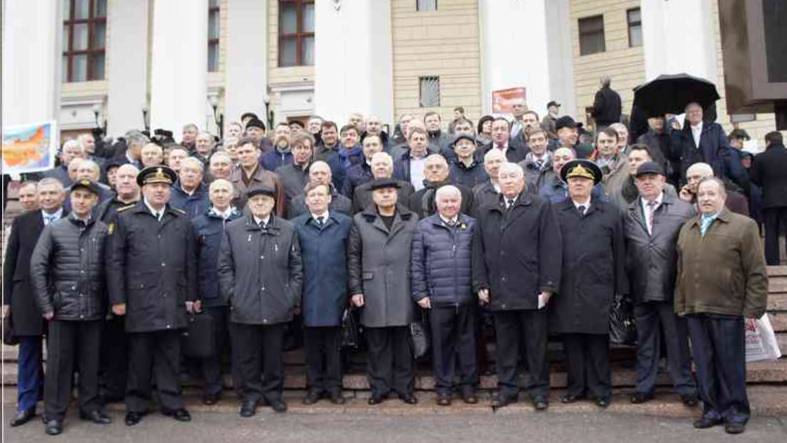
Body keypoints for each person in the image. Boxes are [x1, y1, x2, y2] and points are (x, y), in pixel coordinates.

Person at [676, 177, 768, 435]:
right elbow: (681, 271)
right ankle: (712, 409)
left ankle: (736, 411)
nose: (705, 198)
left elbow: (757, 272)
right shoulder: (688, 228)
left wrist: (753, 309)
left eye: (711, 193)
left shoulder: (743, 226)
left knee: (730, 364)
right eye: (701, 194)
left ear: (723, 197)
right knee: (704, 364)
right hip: (695, 308)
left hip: (728, 308)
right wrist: (681, 304)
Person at [106, 166, 198, 426]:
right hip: (139, 301)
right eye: (154, 186)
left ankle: (172, 402)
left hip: (172, 298)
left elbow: (190, 261)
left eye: (164, 186)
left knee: (170, 354)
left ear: (170, 191)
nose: (159, 190)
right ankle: (136, 404)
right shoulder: (124, 218)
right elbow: (115, 262)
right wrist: (118, 299)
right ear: (143, 189)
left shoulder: (181, 219)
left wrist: (191, 295)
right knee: (139, 356)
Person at [472, 162, 561, 410]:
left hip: (532, 289)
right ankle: (507, 389)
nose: (508, 180)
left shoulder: (540, 206)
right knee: (505, 345)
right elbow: (478, 251)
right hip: (499, 289)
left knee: (536, 345)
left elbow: (551, 247)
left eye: (513, 176)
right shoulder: (485, 209)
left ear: (523, 180)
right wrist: (480, 282)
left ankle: (539, 390)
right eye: (504, 177)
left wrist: (548, 285)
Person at [30, 180, 111, 435]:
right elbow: (38, 267)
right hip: (61, 310)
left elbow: (110, 269)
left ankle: (89, 407)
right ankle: (54, 415)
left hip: (93, 309)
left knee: (91, 363)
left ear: (95, 201)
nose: (82, 201)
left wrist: (108, 304)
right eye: (77, 196)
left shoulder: (103, 230)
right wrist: (46, 305)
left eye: (87, 196)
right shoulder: (55, 229)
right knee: (58, 366)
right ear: (70, 199)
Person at [218, 186, 303, 417]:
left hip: (277, 304)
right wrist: (232, 295)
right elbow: (224, 267)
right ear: (249, 204)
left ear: (273, 203)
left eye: (265, 200)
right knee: (248, 355)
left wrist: (290, 296)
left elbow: (297, 267)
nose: (260, 203)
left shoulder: (287, 229)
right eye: (255, 200)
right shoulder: (233, 229)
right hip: (244, 305)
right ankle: (251, 395)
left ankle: (274, 394)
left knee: (274, 354)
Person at [551, 160, 626, 408]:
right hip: (567, 288)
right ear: (567, 184)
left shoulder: (610, 212)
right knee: (572, 342)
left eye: (583, 180)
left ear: (592, 183)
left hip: (599, 287)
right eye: (574, 180)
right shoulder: (555, 211)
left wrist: (620, 289)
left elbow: (619, 252)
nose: (578, 184)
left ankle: (600, 389)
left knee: (597, 343)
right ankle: (576, 387)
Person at [623, 161, 698, 406]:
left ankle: (685, 387)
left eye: (652, 177)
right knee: (646, 342)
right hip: (641, 288)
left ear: (663, 180)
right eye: (642, 178)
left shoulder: (683, 210)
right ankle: (644, 387)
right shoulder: (629, 212)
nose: (647, 182)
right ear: (635, 183)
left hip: (672, 288)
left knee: (677, 341)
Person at [348, 178, 419, 405]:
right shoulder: (359, 221)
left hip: (403, 287)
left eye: (389, 192)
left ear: (396, 195)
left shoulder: (412, 219)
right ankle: (379, 388)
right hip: (373, 289)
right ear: (373, 197)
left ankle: (405, 388)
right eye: (381, 193)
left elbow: (419, 255)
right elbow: (353, 257)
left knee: (403, 343)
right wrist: (356, 288)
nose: (386, 196)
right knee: (377, 344)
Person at [3, 178, 67, 427]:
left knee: (58, 355)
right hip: (26, 297)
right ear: (37, 196)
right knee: (28, 353)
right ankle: (25, 404)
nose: (48, 197)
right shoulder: (23, 221)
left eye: (53, 193)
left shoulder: (72, 218)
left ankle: (53, 405)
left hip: (61, 298)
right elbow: (9, 262)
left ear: (63, 196)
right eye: (44, 193)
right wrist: (6, 299)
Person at [411, 185, 478, 406]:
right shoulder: (424, 226)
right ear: (437, 204)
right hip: (438, 298)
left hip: (467, 297)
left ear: (460, 202)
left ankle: (468, 387)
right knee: (442, 347)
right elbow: (417, 263)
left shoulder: (471, 225)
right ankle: (444, 388)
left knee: (468, 345)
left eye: (453, 201)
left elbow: (480, 259)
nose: (449, 205)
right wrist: (420, 292)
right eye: (445, 201)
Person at [293, 183, 353, 405]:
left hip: (337, 292)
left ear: (330, 199)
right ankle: (315, 386)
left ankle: (334, 386)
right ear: (305, 200)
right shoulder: (296, 225)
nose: (316, 199)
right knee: (312, 345)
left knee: (334, 345)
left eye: (321, 195)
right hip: (308, 294)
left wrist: (351, 290)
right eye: (312, 195)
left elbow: (352, 258)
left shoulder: (345, 223)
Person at [94, 164, 140, 403]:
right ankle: (113, 388)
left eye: (130, 177)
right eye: (121, 177)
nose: (125, 181)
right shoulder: (103, 208)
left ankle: (138, 389)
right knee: (113, 342)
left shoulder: (146, 207)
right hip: (109, 285)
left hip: (140, 286)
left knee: (139, 345)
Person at [669, 102, 747, 190]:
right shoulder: (682, 133)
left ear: (702, 112)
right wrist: (677, 132)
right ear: (686, 115)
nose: (695, 113)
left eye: (697, 111)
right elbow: (675, 152)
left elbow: (725, 150)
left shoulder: (715, 128)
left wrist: (716, 166)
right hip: (692, 179)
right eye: (691, 112)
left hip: (713, 175)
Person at [749, 131, 787, 265]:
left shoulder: (760, 158)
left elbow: (753, 178)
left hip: (770, 199)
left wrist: (764, 184)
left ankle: (773, 262)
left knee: (771, 232)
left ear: (768, 142)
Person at [229, 137, 286, 215]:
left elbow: (280, 211)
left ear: (258, 153)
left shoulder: (273, 179)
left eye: (248, 151)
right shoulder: (230, 180)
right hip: (237, 225)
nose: (244, 155)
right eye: (240, 153)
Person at [408, 154, 474, 218]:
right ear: (424, 173)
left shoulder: (464, 193)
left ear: (447, 171)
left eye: (438, 167)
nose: (434, 170)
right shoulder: (415, 198)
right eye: (430, 167)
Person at [678, 162, 749, 216]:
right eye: (689, 179)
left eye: (696, 177)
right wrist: (685, 203)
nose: (692, 182)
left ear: (710, 177)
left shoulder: (735, 199)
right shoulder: (690, 200)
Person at [287, 161, 352, 219]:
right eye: (315, 174)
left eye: (323, 173)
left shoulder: (345, 203)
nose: (319, 177)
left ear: (330, 177)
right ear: (309, 177)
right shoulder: (297, 203)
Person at [276, 133, 316, 207]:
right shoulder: (281, 173)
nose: (302, 151)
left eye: (306, 148)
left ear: (311, 151)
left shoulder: (317, 172)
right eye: (299, 148)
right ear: (292, 150)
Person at [342, 133, 382, 199]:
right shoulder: (352, 172)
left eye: (374, 145)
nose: (371, 148)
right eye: (367, 146)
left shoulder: (392, 169)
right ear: (363, 148)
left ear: (381, 147)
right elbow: (346, 198)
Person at [393, 126, 432, 191]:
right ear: (409, 142)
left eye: (422, 139)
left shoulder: (434, 160)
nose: (419, 142)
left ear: (427, 142)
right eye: (415, 139)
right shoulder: (400, 163)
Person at [518, 127, 552, 192]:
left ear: (547, 141)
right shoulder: (520, 167)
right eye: (533, 141)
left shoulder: (556, 164)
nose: (537, 144)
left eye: (540, 139)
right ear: (528, 144)